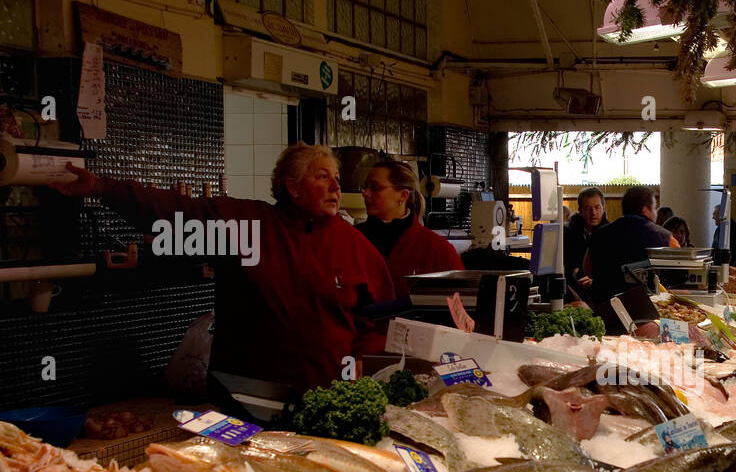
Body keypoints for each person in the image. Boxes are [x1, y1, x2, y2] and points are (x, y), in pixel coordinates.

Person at [54, 144, 394, 397]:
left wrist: (362, 360)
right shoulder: (244, 226)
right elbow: (175, 210)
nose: (336, 187)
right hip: (246, 398)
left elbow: (378, 319)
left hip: (323, 399)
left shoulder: (357, 248)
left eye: (336, 178)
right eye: (323, 178)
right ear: (292, 187)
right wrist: (101, 188)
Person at [358, 158, 462, 299]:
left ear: (403, 195)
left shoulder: (437, 249)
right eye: (365, 187)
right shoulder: (351, 240)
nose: (366, 193)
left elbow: (459, 308)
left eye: (375, 188)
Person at [583, 185, 675, 304]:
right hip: (648, 309)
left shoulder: (597, 235)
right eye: (654, 208)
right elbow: (676, 276)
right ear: (645, 209)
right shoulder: (665, 237)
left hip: (605, 309)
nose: (656, 213)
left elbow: (588, 270)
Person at [564, 187, 608, 299]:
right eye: (588, 209)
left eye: (597, 207)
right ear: (580, 210)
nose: (593, 213)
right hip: (574, 292)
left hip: (603, 293)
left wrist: (596, 282)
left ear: (604, 208)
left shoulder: (611, 235)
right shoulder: (569, 235)